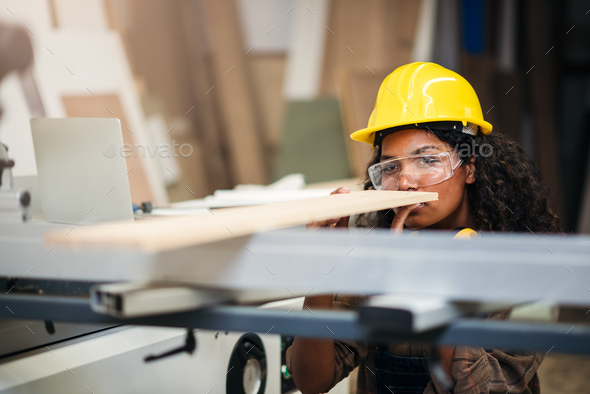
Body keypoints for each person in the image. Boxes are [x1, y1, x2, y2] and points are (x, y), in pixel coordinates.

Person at [287, 62, 562, 394]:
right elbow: (312, 381)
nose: (404, 182)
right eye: (390, 167)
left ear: (470, 167)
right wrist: (322, 271)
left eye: (428, 160)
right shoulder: (378, 257)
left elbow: (485, 388)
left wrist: (436, 290)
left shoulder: (518, 268)